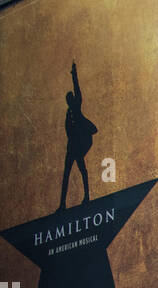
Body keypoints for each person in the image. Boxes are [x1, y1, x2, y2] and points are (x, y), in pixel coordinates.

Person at [58, 62, 98, 212]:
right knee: (66, 174)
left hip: (80, 145)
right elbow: (68, 130)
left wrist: (74, 74)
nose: (70, 99)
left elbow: (77, 88)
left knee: (82, 170)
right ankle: (62, 204)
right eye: (68, 99)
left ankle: (87, 196)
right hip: (72, 146)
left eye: (71, 97)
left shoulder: (77, 106)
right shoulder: (68, 114)